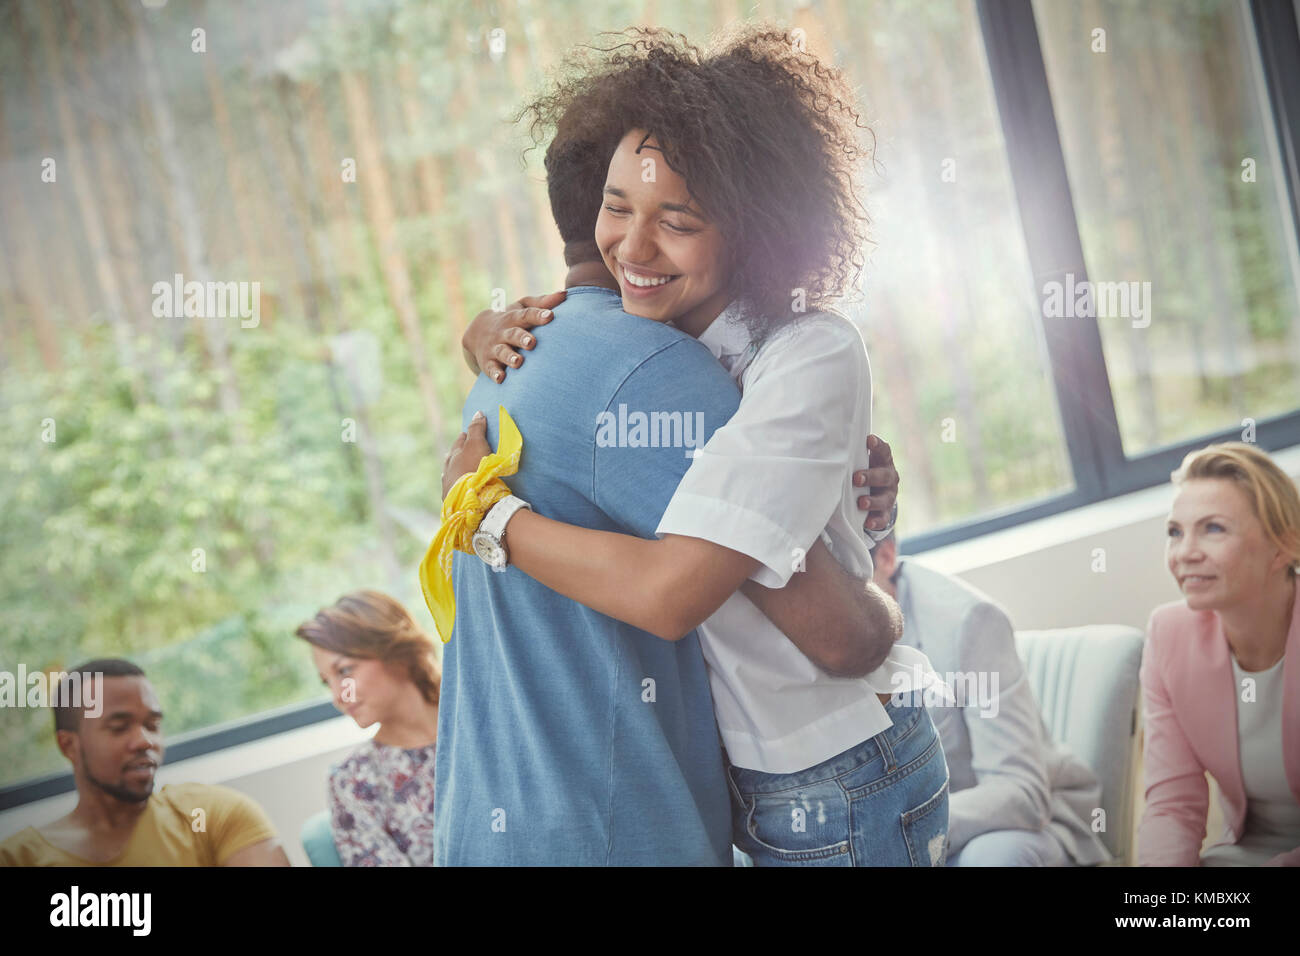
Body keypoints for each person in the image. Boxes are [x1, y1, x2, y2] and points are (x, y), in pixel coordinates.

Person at [436, 26, 948, 866]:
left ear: (754, 231)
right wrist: (482, 332)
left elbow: (678, 596)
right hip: (757, 776)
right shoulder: (671, 343)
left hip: (841, 767)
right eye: (617, 207)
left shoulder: (808, 352)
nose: (633, 250)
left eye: (677, 221)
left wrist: (486, 514)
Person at [871, 532, 1112, 866]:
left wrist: (896, 830)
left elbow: (1020, 792)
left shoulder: (969, 623)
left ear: (885, 556)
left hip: (1007, 831)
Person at [1140, 442, 1300, 866]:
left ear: (1283, 545)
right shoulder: (1168, 634)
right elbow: (1172, 804)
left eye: (1213, 529)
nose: (1185, 552)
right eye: (1175, 531)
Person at [0, 659, 289, 867]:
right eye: (119, 727)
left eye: (152, 725)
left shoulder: (213, 815)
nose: (144, 741)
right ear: (69, 745)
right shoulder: (18, 858)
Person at [296, 591, 440, 866]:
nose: (338, 696)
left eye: (345, 671)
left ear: (396, 653)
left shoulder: (486, 722)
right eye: (327, 681)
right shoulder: (352, 782)